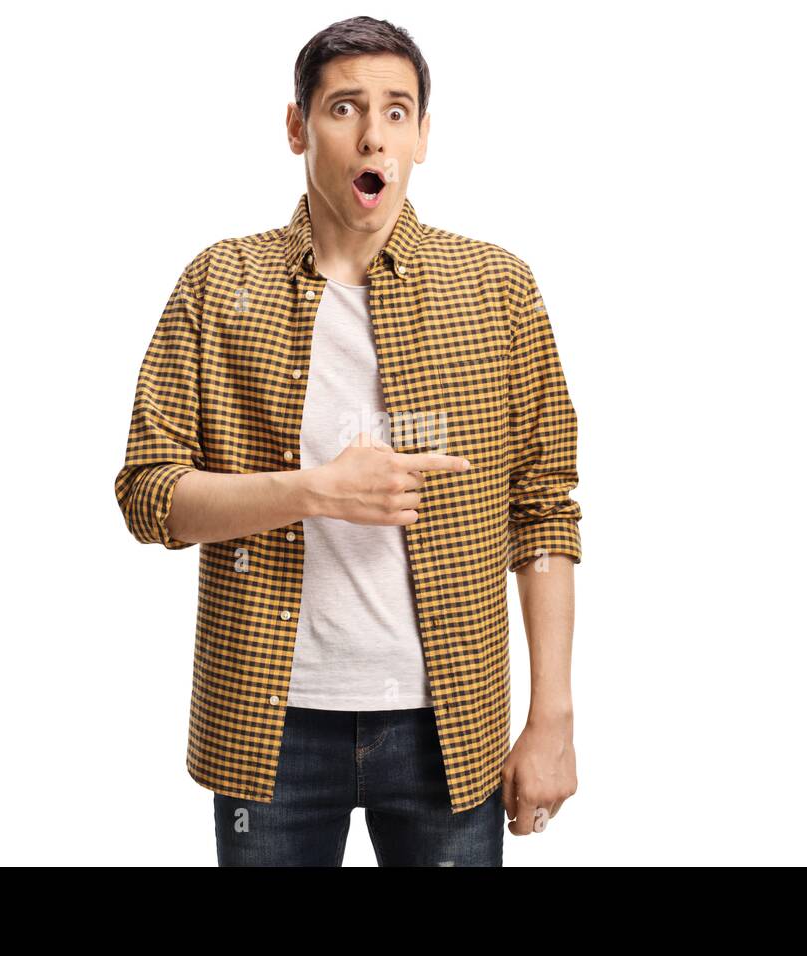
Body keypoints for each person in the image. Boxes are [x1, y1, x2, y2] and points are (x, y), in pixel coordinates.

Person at [114, 16, 581, 866]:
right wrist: (313, 490)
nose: (374, 134)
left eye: (398, 111)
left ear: (425, 135)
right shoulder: (221, 285)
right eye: (344, 108)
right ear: (296, 126)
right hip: (271, 726)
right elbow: (148, 495)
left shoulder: (497, 290)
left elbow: (543, 510)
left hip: (452, 723)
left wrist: (551, 717)